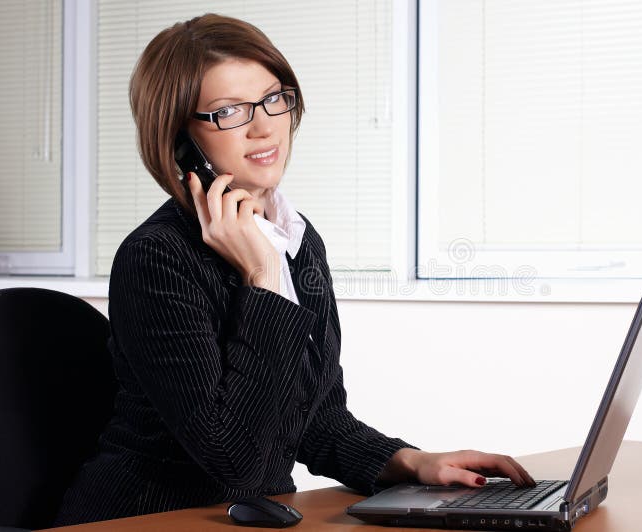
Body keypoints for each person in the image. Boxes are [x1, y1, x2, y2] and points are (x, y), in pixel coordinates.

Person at [54, 13, 535, 526]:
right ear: (180, 140)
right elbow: (233, 462)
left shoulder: (298, 240)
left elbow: (315, 417)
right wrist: (261, 280)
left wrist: (411, 462)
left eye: (272, 98)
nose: (264, 126)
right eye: (229, 111)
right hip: (147, 519)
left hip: (254, 518)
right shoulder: (157, 259)